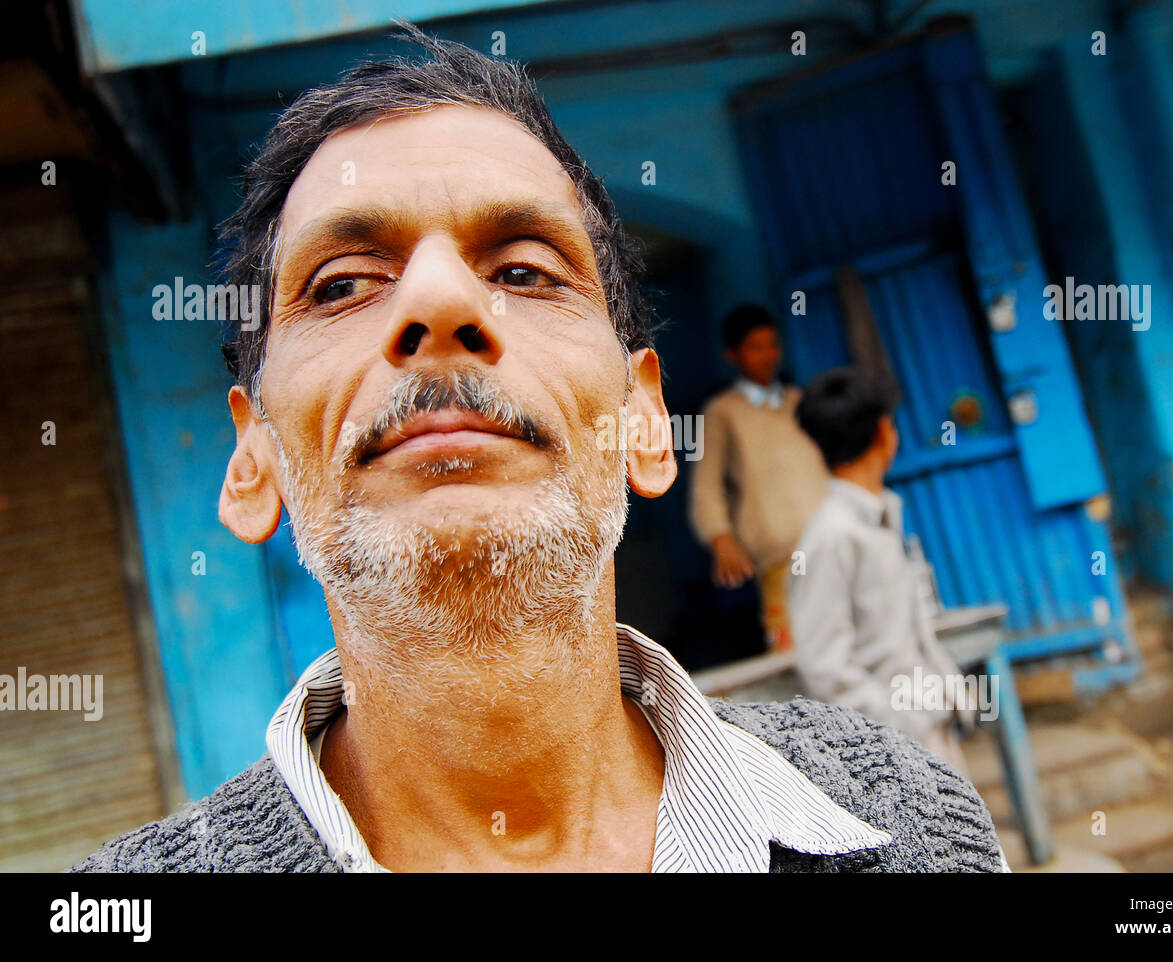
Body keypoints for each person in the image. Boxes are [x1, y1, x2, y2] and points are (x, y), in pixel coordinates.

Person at [71, 26, 1003, 873]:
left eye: (523, 271)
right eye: (345, 283)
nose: (440, 307)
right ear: (254, 460)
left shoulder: (913, 816)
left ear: (643, 421)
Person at [790, 367, 972, 778]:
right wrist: (905, 726)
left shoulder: (878, 518)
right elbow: (826, 668)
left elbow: (911, 634)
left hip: (931, 735)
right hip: (899, 753)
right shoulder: (832, 537)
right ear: (883, 433)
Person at [688, 305, 828, 650]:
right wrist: (721, 538)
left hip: (830, 548)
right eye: (755, 347)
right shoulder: (723, 412)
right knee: (798, 664)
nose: (768, 355)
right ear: (732, 354)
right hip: (780, 562)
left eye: (772, 345)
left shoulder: (799, 402)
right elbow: (706, 484)